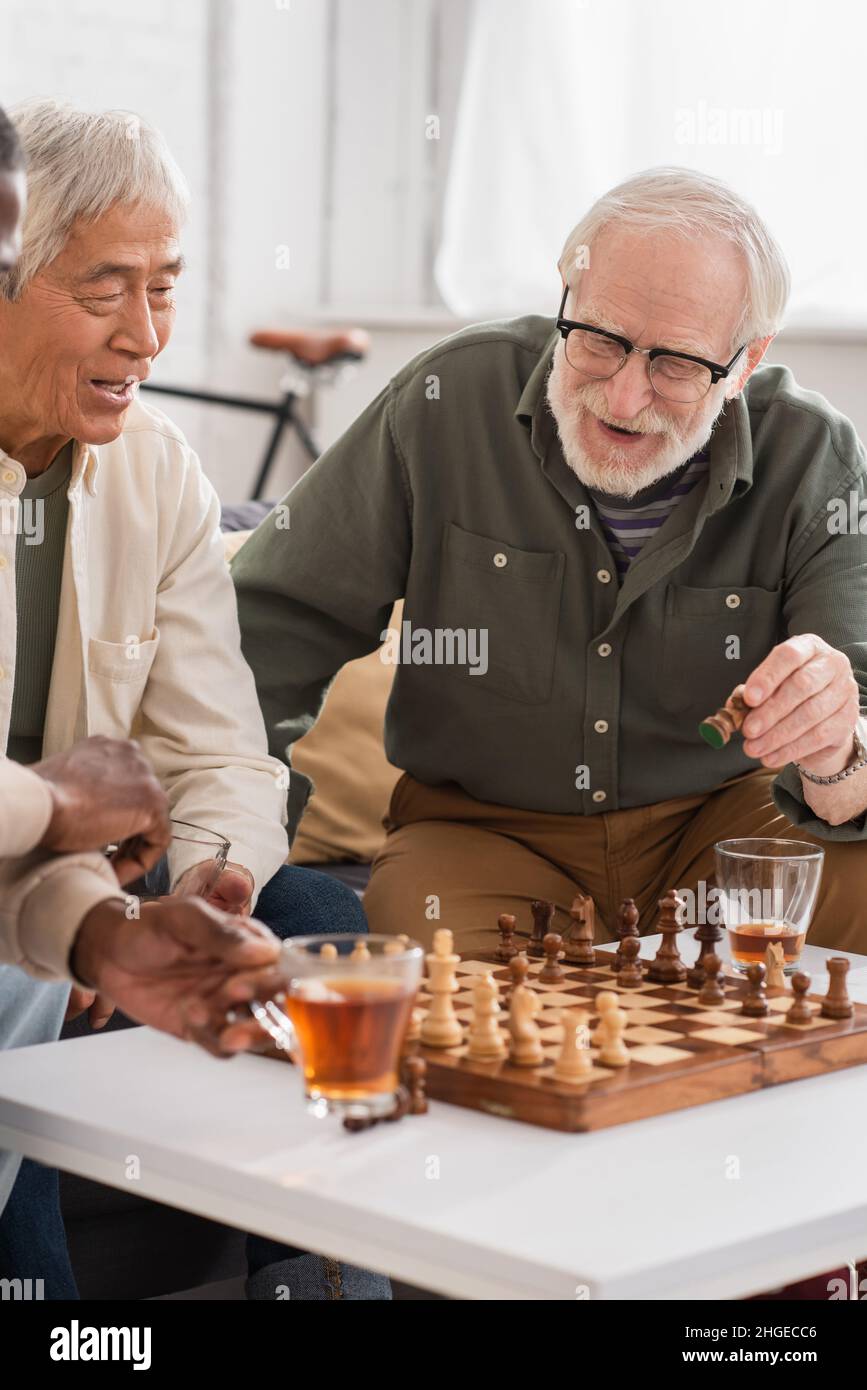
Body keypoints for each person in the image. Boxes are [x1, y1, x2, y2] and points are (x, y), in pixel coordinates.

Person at [233, 167, 867, 958]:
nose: (623, 397)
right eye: (598, 339)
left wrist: (839, 751)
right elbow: (271, 626)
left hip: (719, 827)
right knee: (428, 980)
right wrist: (229, 837)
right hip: (486, 834)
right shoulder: (446, 397)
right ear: (564, 298)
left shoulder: (812, 453)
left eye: (676, 364)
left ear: (744, 361)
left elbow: (856, 718)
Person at [0, 101, 386, 1300]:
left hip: (76, 879)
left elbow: (221, 744)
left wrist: (211, 877)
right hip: (40, 886)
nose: (148, 334)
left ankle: (321, 1280)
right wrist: (70, 879)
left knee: (313, 922)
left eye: (166, 287)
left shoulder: (157, 469)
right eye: (105, 287)